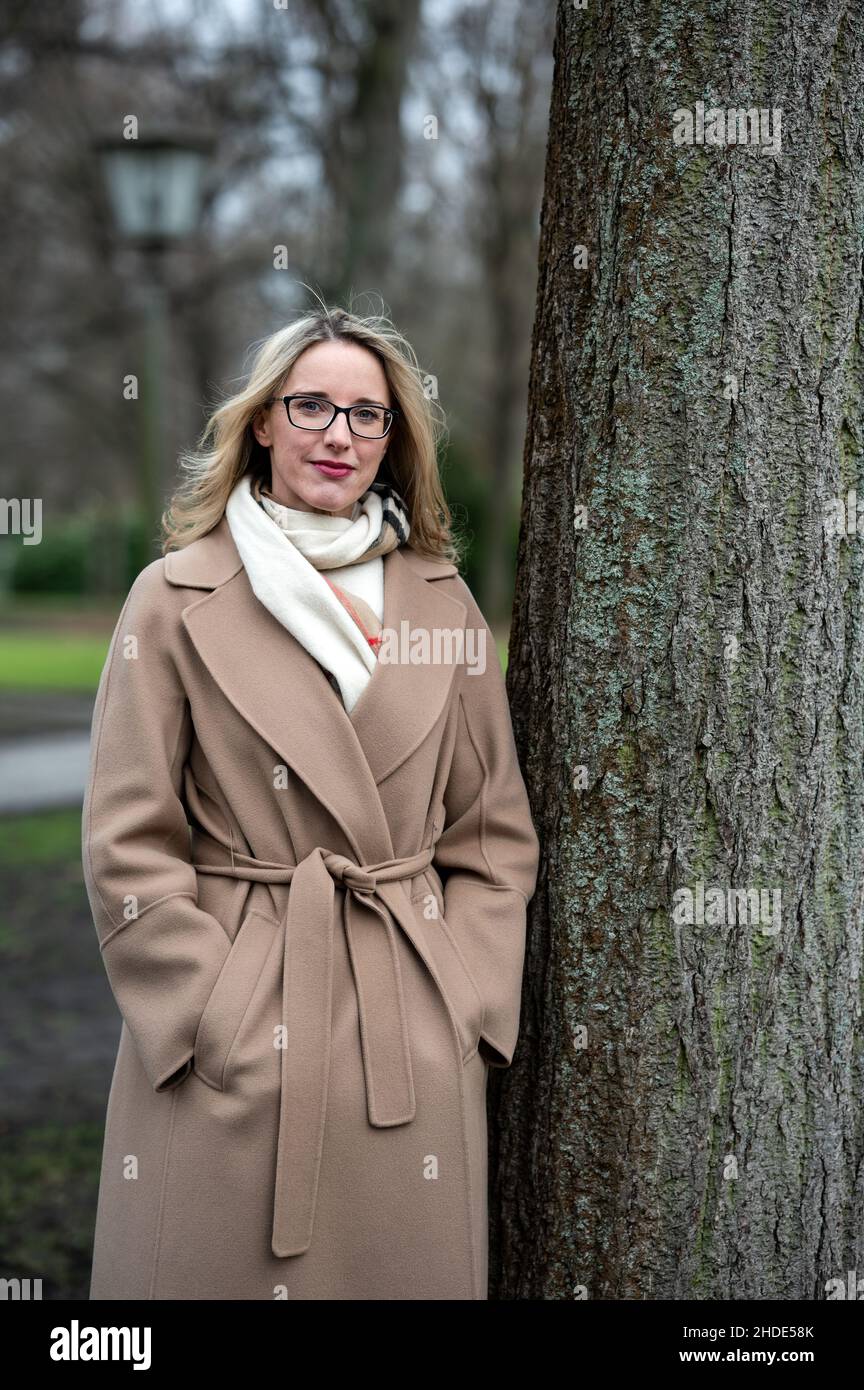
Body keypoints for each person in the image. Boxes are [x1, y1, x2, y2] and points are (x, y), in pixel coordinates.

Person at [82, 302, 540, 1300]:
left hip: (405, 1037)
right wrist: (211, 1012)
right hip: (231, 1044)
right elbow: (128, 839)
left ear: (393, 438)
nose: (339, 434)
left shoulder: (441, 601)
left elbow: (494, 833)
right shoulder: (173, 598)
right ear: (261, 421)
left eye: (367, 416)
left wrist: (461, 1001)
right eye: (312, 406)